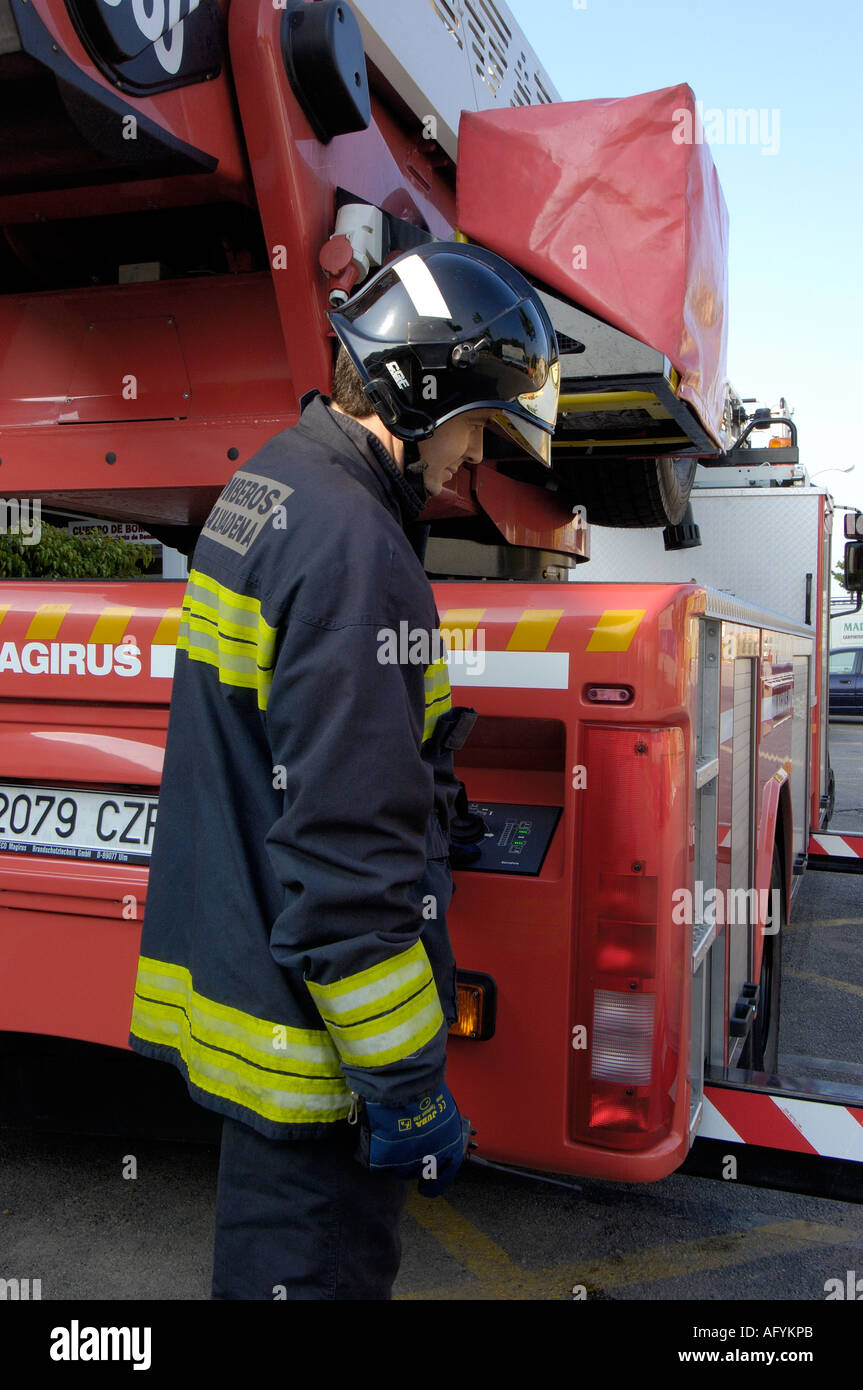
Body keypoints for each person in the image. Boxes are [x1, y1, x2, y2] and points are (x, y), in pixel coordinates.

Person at [128, 239, 560, 1300]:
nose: (476, 458)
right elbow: (342, 862)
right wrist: (407, 1089)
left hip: (257, 1013)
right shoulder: (356, 546)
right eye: (480, 423)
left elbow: (287, 749)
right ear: (425, 394)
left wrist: (424, 788)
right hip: (317, 1069)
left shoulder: (272, 483)